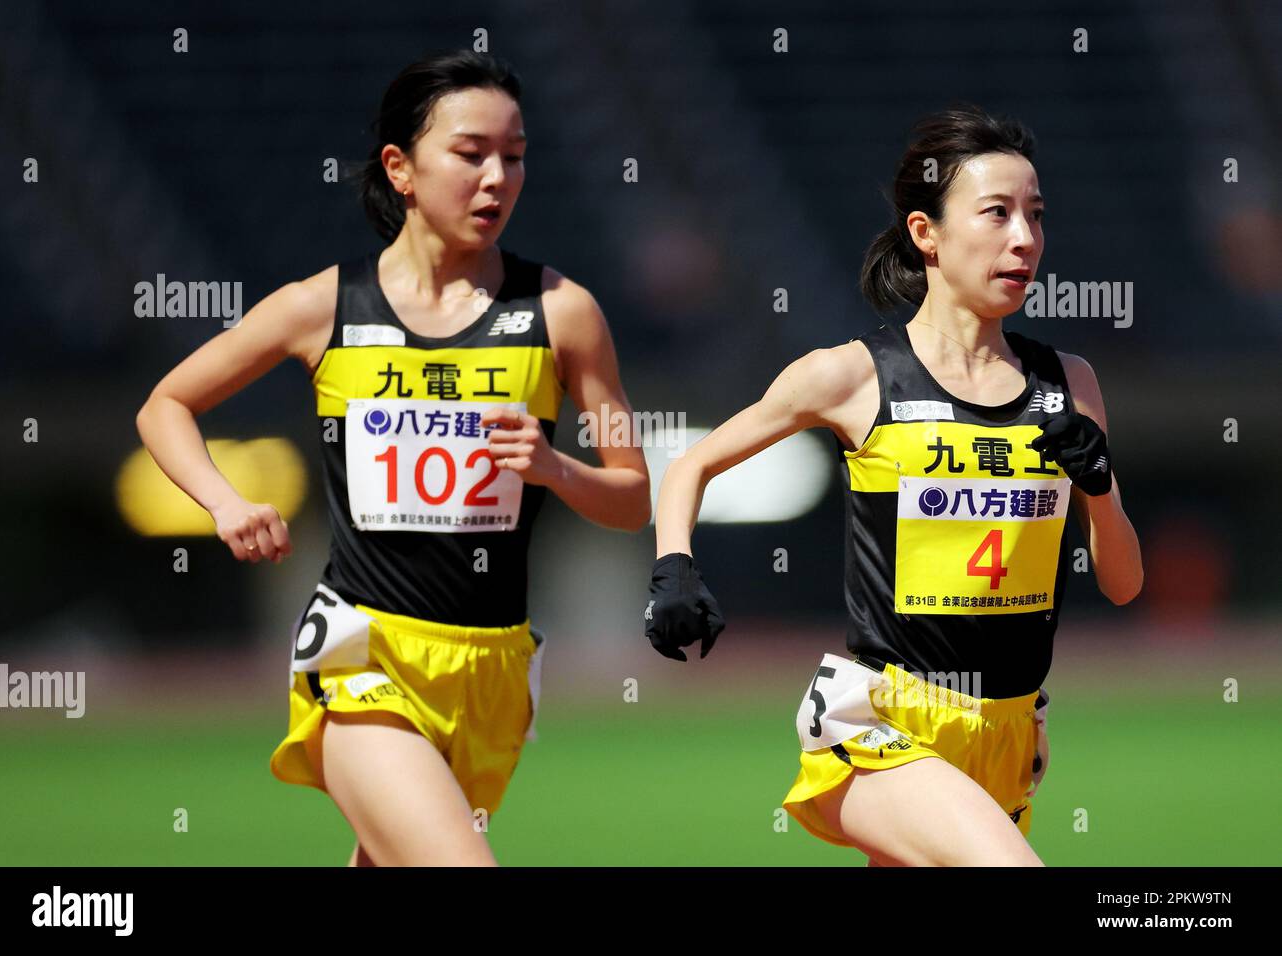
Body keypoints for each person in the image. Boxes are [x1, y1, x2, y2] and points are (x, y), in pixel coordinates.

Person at [136, 50, 650, 866]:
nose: (498, 179)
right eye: (470, 153)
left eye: (514, 157)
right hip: (362, 655)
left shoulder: (562, 314)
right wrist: (224, 502)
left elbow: (632, 500)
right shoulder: (321, 309)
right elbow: (165, 404)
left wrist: (555, 467)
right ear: (400, 169)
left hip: (494, 670)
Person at [644, 105, 1142, 866]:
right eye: (998, 213)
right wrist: (675, 572)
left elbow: (1124, 584)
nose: (1024, 239)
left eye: (1036, 217)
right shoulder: (852, 376)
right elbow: (691, 464)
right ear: (926, 233)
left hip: (1008, 733)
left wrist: (1099, 486)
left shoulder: (1069, 384)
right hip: (884, 726)